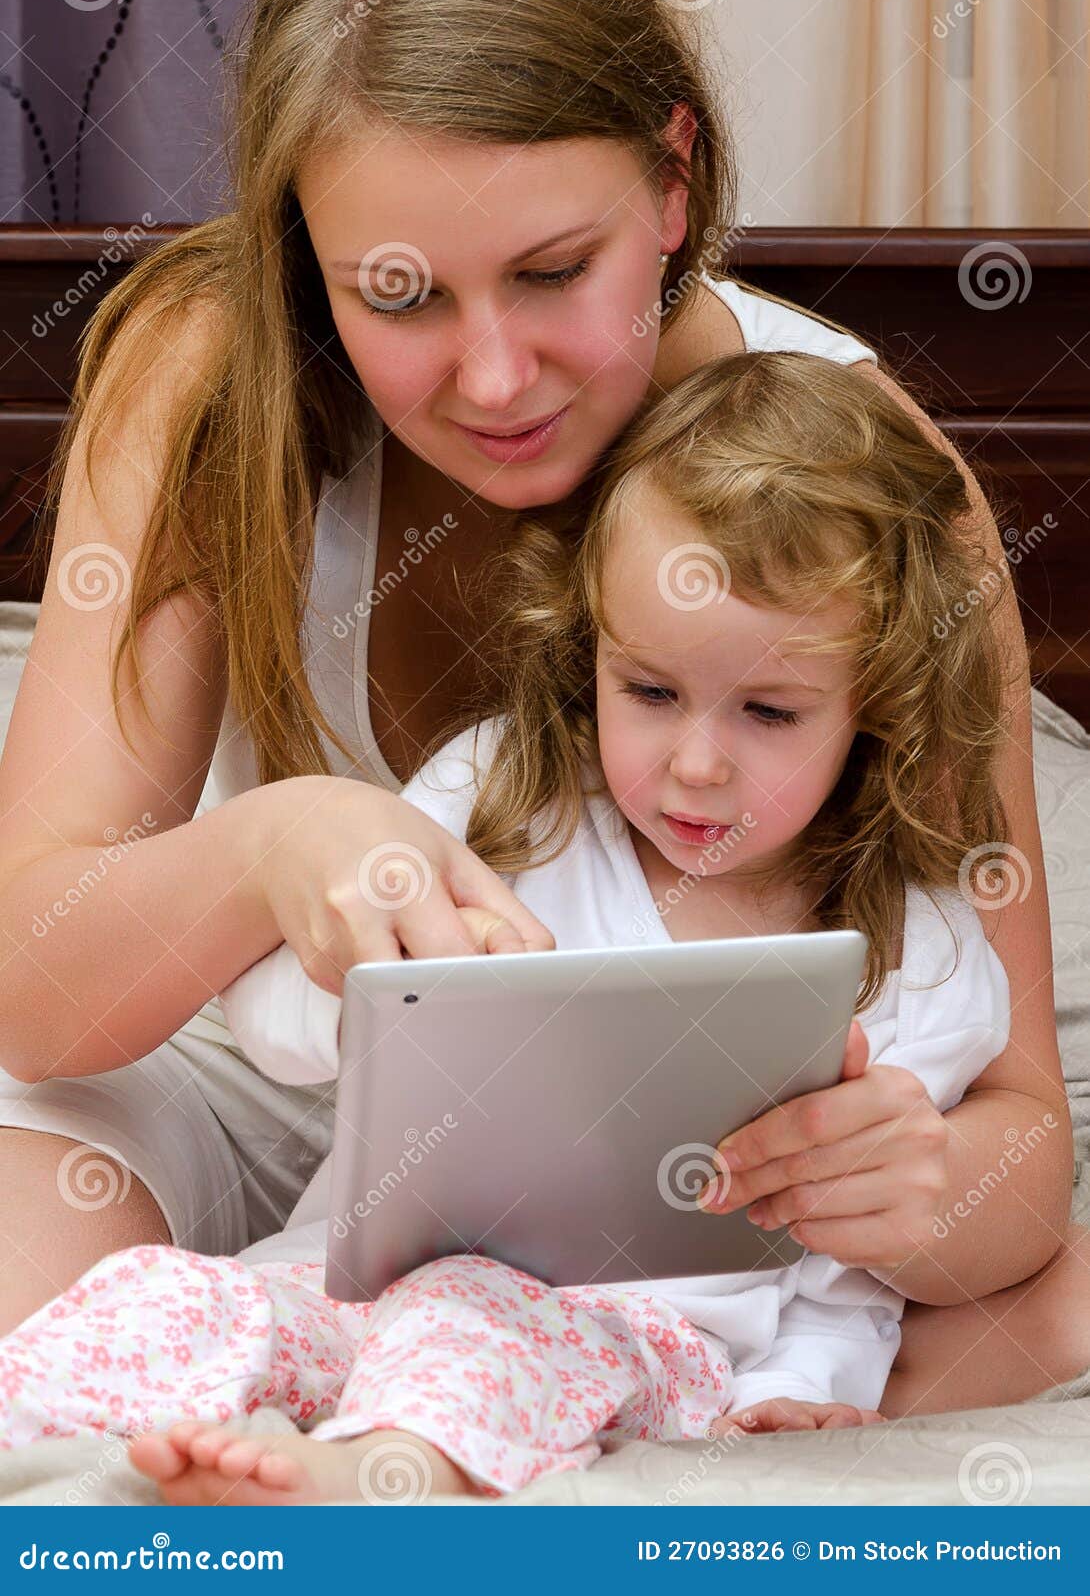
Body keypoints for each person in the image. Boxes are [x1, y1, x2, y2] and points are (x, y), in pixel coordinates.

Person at [0, 0, 1081, 1410]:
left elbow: (1024, 1122)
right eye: (397, 294)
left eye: (554, 270)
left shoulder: (858, 488)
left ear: (671, 179)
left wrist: (926, 1178)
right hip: (264, 1088)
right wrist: (274, 846)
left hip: (703, 1207)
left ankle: (575, 1405)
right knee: (21, 1253)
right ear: (306, 257)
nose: (493, 378)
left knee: (1061, 1286)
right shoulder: (208, 382)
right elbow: (34, 991)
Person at [0, 353, 1017, 1504]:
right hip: (353, 1289)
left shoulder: (914, 956)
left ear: (873, 704)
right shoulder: (501, 800)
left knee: (475, 1315)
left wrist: (794, 1388)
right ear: (591, 647)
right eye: (647, 691)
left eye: (770, 711)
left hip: (631, 1341)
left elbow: (851, 1261)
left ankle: (378, 1478)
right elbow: (288, 1034)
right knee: (162, 1294)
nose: (693, 760)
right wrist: (364, 976)